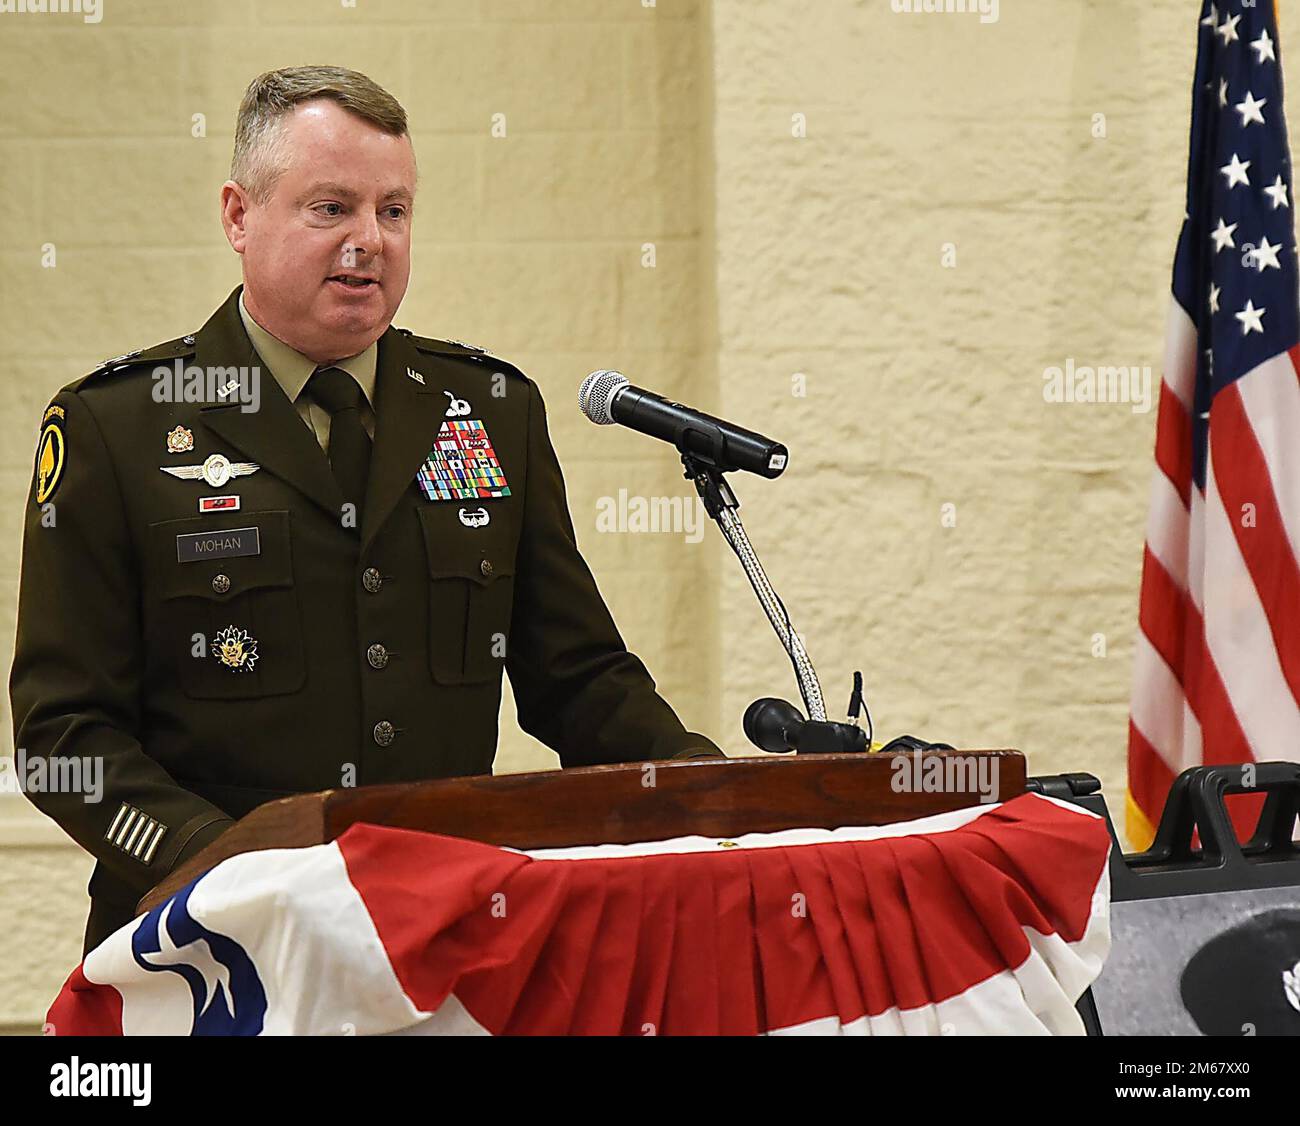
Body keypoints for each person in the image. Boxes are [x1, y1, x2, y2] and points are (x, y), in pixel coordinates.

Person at [10, 65, 722, 956]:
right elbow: (62, 735)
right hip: (208, 953)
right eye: (331, 208)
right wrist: (222, 868)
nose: (369, 241)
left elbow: (576, 678)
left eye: (394, 211)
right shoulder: (118, 427)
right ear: (239, 215)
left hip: (440, 940)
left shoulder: (491, 409)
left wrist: (707, 794)